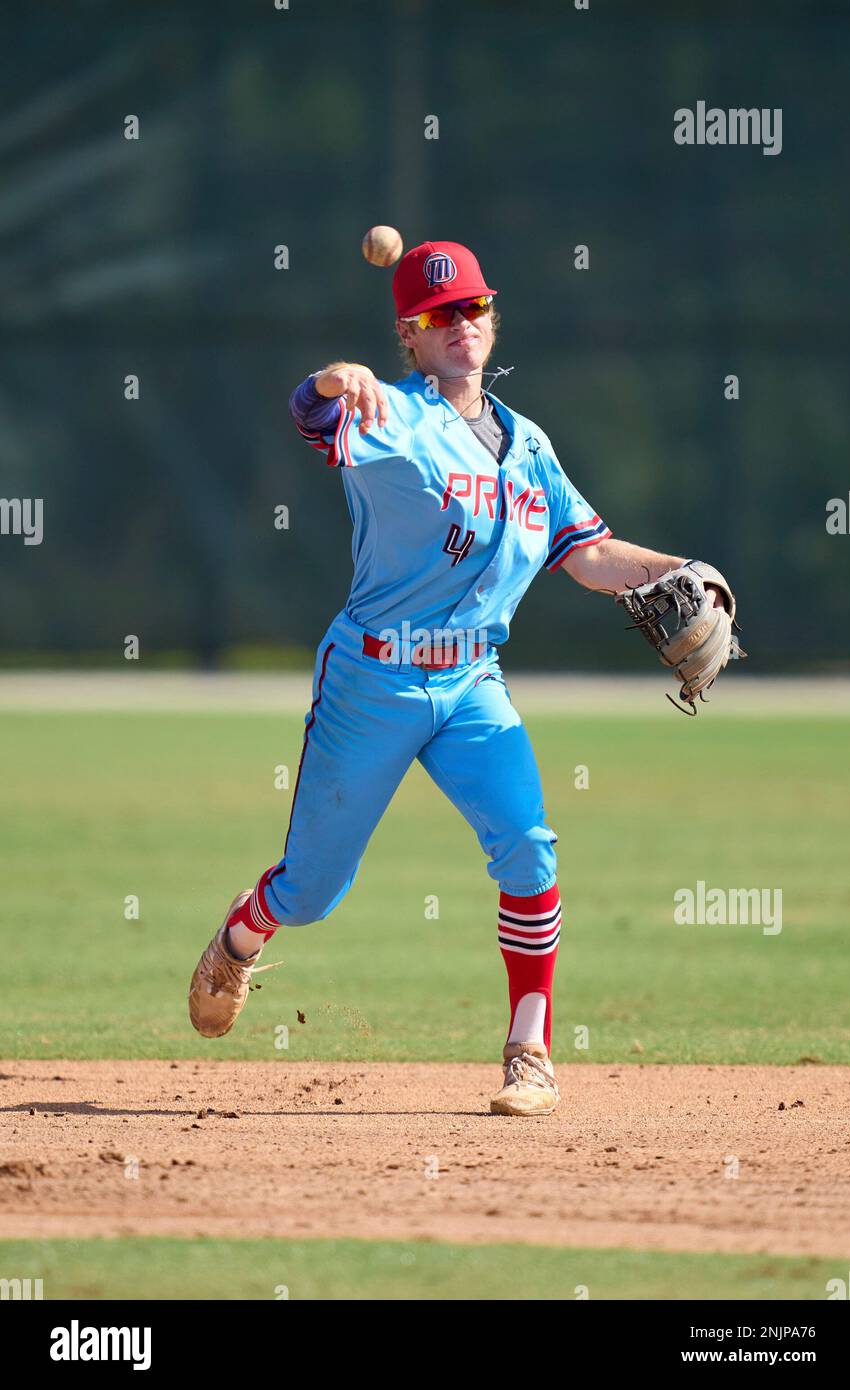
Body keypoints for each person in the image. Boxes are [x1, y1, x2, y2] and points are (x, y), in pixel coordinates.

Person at [188, 239, 722, 1115]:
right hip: (374, 681)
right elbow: (309, 415)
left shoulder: (529, 444)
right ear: (412, 333)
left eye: (472, 308)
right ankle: (243, 935)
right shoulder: (390, 414)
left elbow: (588, 555)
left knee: (527, 848)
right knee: (314, 889)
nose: (460, 324)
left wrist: (680, 567)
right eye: (439, 315)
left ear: (491, 318)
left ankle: (529, 1053)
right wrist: (331, 380)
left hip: (473, 680)